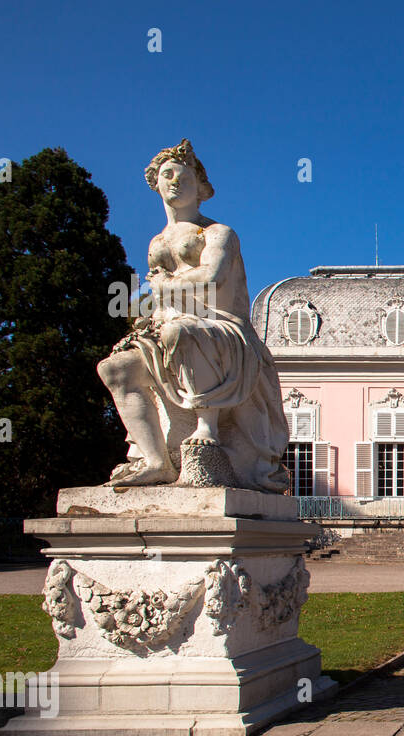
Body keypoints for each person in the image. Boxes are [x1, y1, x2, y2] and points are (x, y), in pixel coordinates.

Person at [97, 139, 288, 491]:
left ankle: (207, 426)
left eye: (182, 177)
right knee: (115, 368)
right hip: (171, 325)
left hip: (224, 330)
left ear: (201, 188)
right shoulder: (156, 242)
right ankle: (156, 461)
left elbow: (212, 281)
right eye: (166, 176)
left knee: (181, 333)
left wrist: (166, 283)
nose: (173, 182)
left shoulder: (218, 233)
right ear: (156, 184)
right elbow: (162, 299)